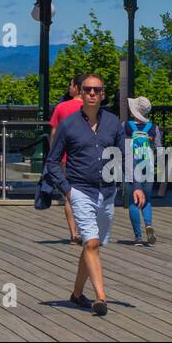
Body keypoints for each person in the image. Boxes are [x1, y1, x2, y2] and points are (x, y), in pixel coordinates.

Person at [43, 74, 132, 317]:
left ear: (103, 94)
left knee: (94, 245)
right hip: (80, 189)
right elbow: (52, 161)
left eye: (97, 90)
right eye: (88, 89)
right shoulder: (68, 125)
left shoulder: (114, 124)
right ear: (80, 93)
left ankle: (76, 294)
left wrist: (134, 186)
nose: (92, 93)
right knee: (90, 242)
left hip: (107, 191)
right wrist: (67, 189)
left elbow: (123, 157)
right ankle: (101, 298)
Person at [49, 76, 85, 243]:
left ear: (76, 88)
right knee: (85, 193)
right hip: (86, 156)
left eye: (71, 85)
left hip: (65, 156)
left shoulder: (62, 107)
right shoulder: (91, 108)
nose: (69, 88)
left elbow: (54, 133)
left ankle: (73, 233)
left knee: (69, 195)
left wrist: (52, 154)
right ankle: (84, 230)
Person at [124, 96, 162, 246]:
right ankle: (148, 224)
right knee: (146, 199)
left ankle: (138, 237)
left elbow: (121, 146)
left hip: (131, 167)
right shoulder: (153, 128)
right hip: (147, 167)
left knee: (133, 202)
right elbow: (159, 148)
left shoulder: (126, 126)